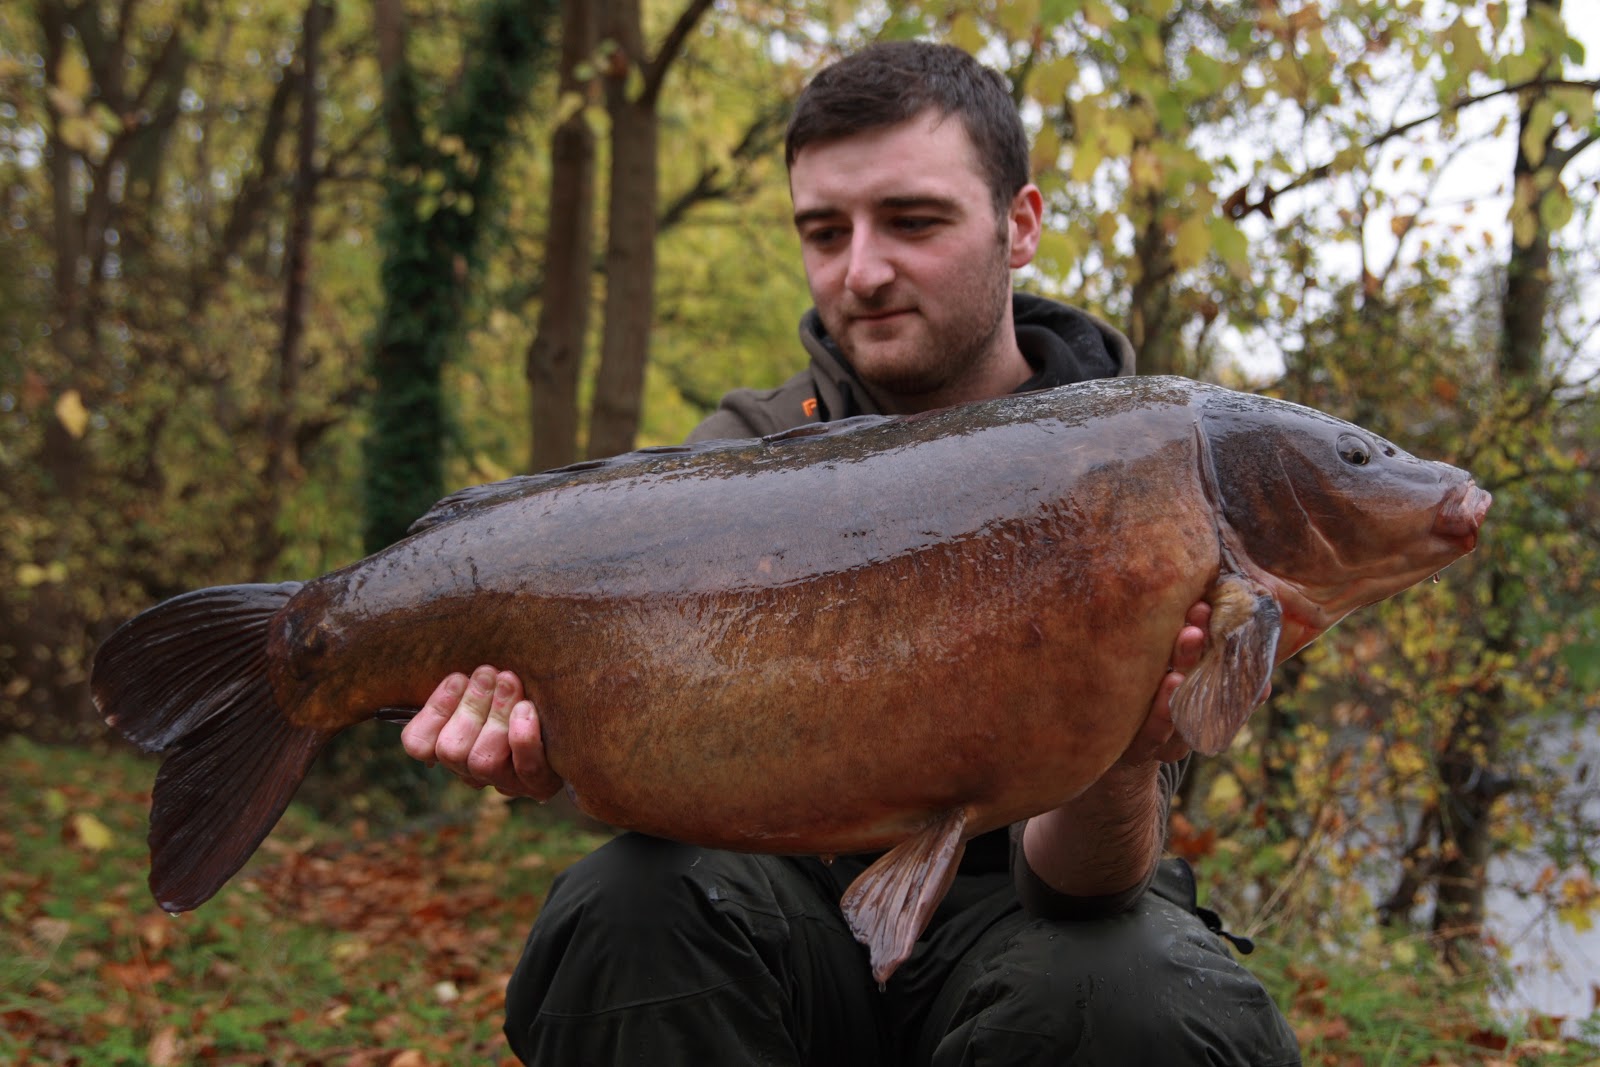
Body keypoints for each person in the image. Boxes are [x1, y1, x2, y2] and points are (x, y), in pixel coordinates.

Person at [401, 41, 1302, 1066]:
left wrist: (1125, 754)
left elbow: (1082, 885)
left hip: (1026, 921)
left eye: (912, 221)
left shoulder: (1150, 471)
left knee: (1129, 989)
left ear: (1019, 225)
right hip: (787, 898)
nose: (861, 272)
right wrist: (554, 749)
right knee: (625, 905)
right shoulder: (740, 457)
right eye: (825, 232)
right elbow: (667, 794)